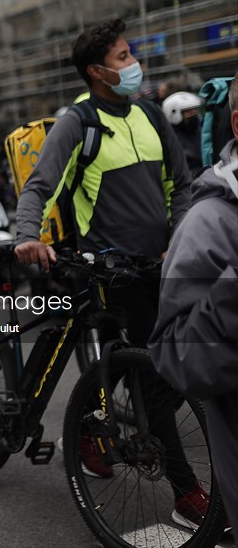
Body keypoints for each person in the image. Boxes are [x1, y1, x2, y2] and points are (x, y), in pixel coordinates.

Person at [14, 18, 208, 528]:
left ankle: (87, 427)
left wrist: (180, 239)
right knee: (154, 374)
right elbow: (41, 186)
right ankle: (187, 496)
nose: (134, 64)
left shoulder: (150, 115)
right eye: (124, 58)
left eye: (131, 53)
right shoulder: (77, 123)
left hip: (163, 264)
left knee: (172, 362)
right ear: (97, 72)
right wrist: (27, 235)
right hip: (110, 271)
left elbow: (181, 184)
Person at [150, 77, 238, 523]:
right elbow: (178, 352)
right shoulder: (212, 223)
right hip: (132, 257)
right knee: (145, 385)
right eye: (122, 57)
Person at [162, 90, 205, 173]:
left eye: (194, 110)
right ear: (173, 114)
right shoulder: (170, 140)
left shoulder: (202, 130)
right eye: (188, 111)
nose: (193, 114)